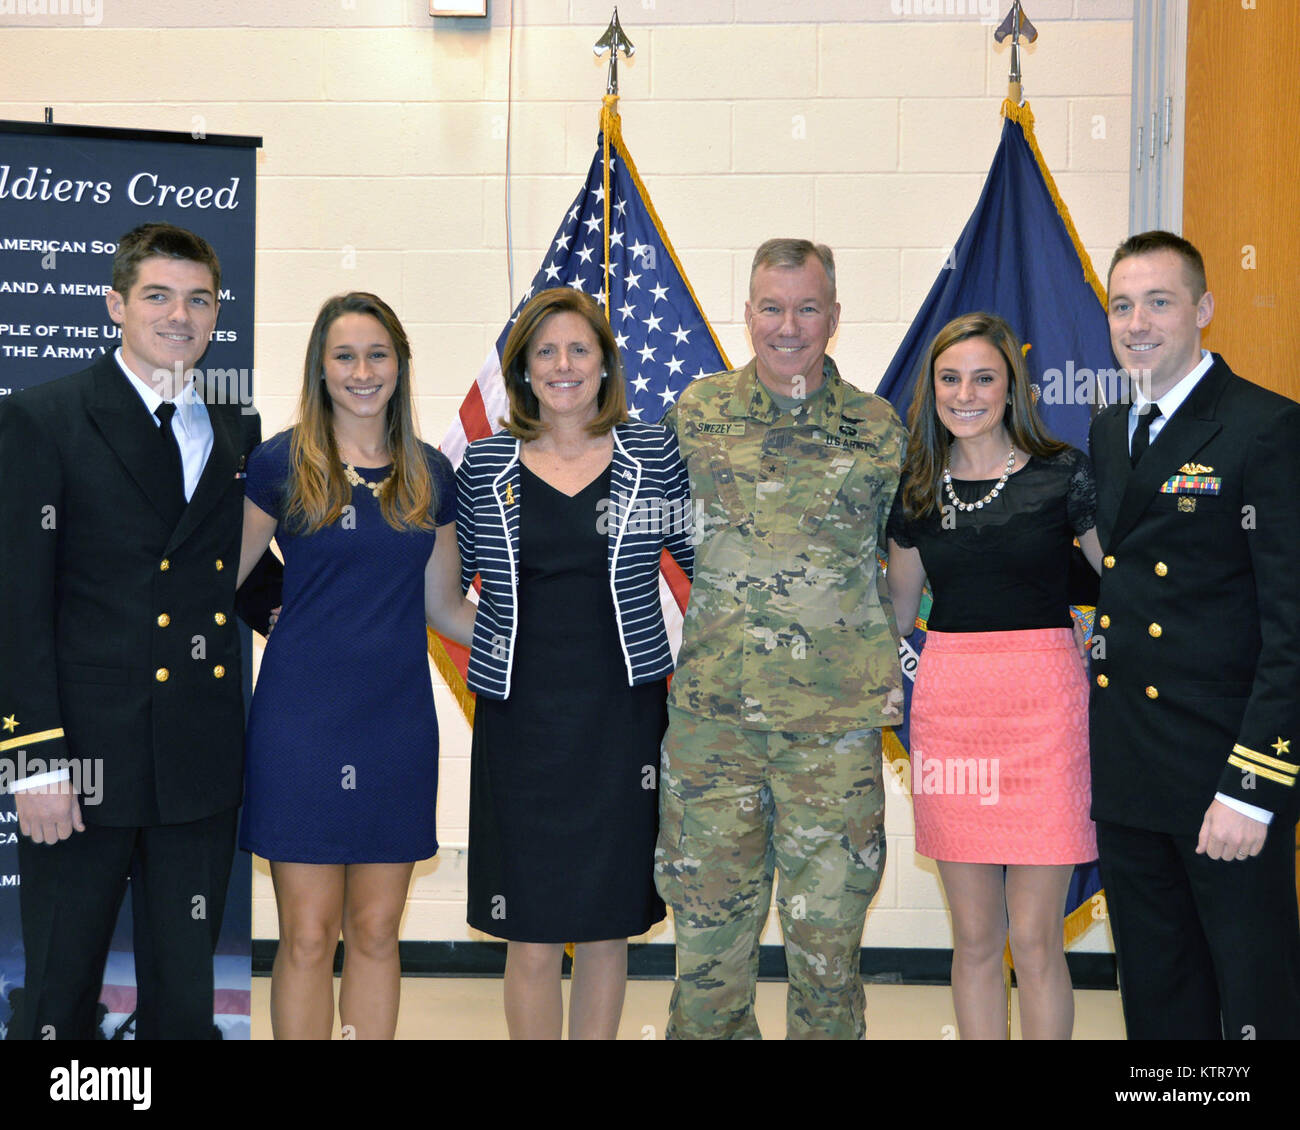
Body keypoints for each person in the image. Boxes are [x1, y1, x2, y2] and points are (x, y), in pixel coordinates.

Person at [0, 222, 280, 1040]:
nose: (179, 316)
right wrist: (35, 759)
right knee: (58, 985)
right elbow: (15, 602)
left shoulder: (236, 422)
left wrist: (338, 624)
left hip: (196, 754)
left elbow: (238, 575)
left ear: (217, 312)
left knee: (184, 996)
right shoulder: (42, 418)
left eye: (198, 299)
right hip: (81, 759)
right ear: (117, 304)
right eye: (158, 296)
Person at [654, 238, 905, 1040]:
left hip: (833, 738)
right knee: (707, 961)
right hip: (713, 732)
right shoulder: (696, 415)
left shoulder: (879, 427)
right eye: (771, 306)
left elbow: (914, 561)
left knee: (828, 960)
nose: (787, 325)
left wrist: (871, 658)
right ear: (749, 311)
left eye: (806, 308)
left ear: (833, 317)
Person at [236, 292, 475, 1040]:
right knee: (308, 935)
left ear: (400, 366)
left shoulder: (431, 473)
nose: (362, 371)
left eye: (377, 355)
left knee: (375, 932)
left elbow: (445, 609)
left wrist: (556, 628)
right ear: (320, 367)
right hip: (300, 728)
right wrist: (280, 615)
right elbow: (220, 578)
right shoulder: (281, 461)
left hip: (395, 727)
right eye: (345, 355)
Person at [456, 287, 693, 1040]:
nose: (563, 365)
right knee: (527, 930)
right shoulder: (485, 467)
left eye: (579, 350)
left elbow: (711, 569)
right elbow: (441, 586)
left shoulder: (652, 454)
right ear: (523, 369)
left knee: (604, 925)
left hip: (621, 721)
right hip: (518, 720)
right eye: (546, 352)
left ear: (604, 364)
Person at [1089, 230, 1300, 1039]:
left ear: (1205, 309)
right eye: (1121, 304)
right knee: (1157, 994)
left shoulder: (1264, 428)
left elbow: (1291, 630)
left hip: (1222, 773)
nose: (1137, 322)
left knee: (1253, 996)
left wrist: (1253, 785)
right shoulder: (1113, 431)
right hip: (1135, 769)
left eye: (1159, 301)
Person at [885, 312, 1103, 1040]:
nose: (966, 393)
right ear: (933, 389)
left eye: (984, 377)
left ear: (1011, 387)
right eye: (950, 378)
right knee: (976, 939)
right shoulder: (916, 487)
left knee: (1036, 939)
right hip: (951, 715)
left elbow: (1127, 582)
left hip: (1047, 715)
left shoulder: (1062, 473)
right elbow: (897, 611)